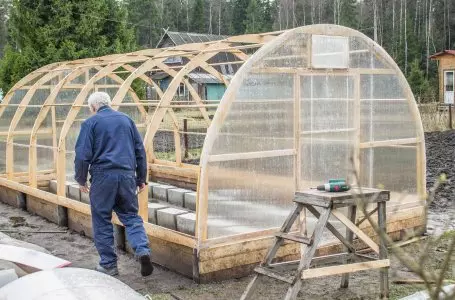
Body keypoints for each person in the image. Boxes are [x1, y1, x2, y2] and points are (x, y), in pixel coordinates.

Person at [74, 92, 153, 277]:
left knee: (102, 219)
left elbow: (82, 155)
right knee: (131, 217)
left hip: (102, 178)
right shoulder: (127, 120)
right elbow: (139, 150)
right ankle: (142, 250)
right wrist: (141, 178)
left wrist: (81, 179)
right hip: (127, 177)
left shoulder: (91, 123)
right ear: (109, 103)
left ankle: (109, 264)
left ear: (93, 107)